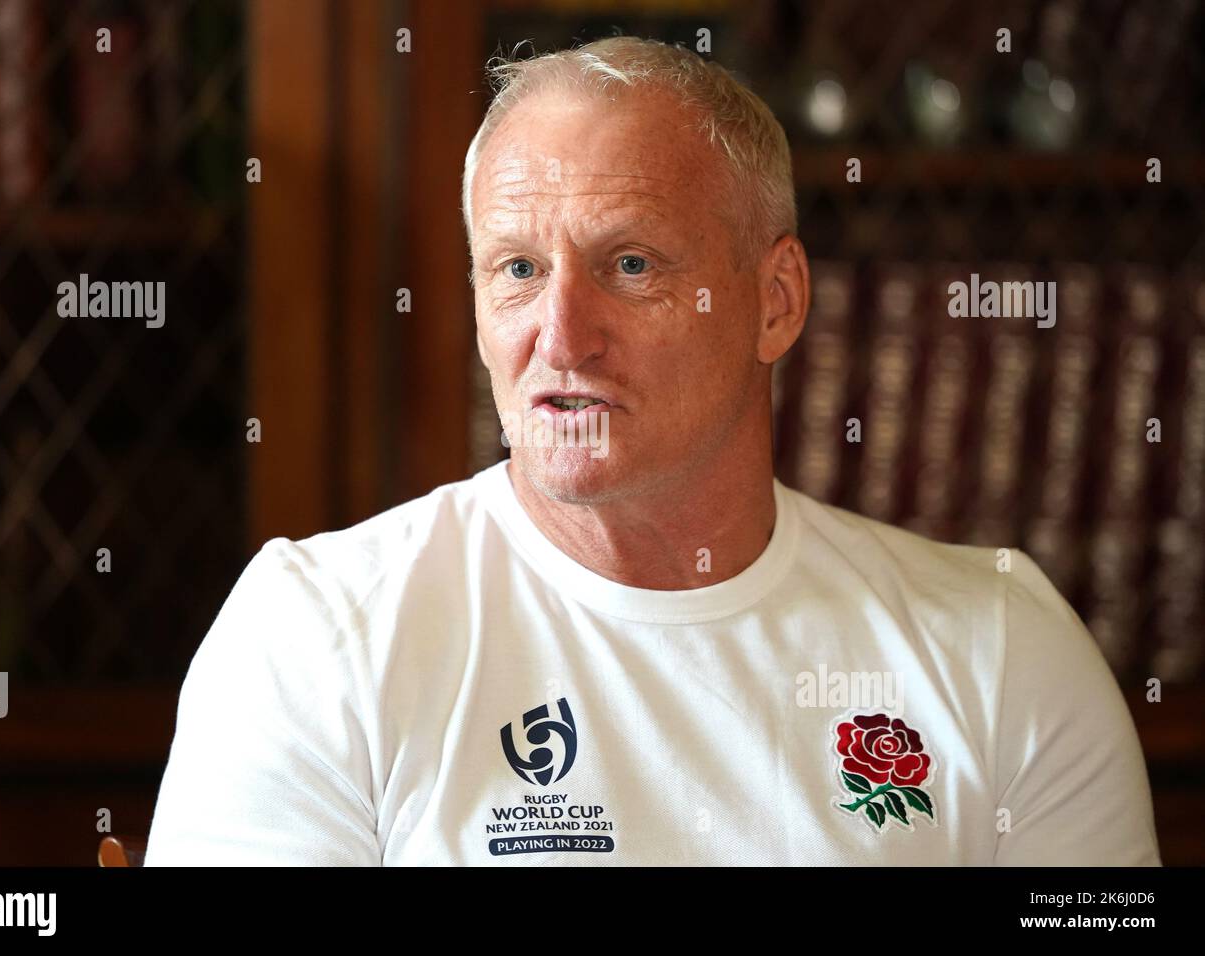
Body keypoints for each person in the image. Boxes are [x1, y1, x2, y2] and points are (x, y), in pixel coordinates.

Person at [145, 36, 1160, 865]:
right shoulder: (317, 638)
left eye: (629, 264)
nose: (561, 332)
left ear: (776, 300)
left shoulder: (997, 650)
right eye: (516, 267)